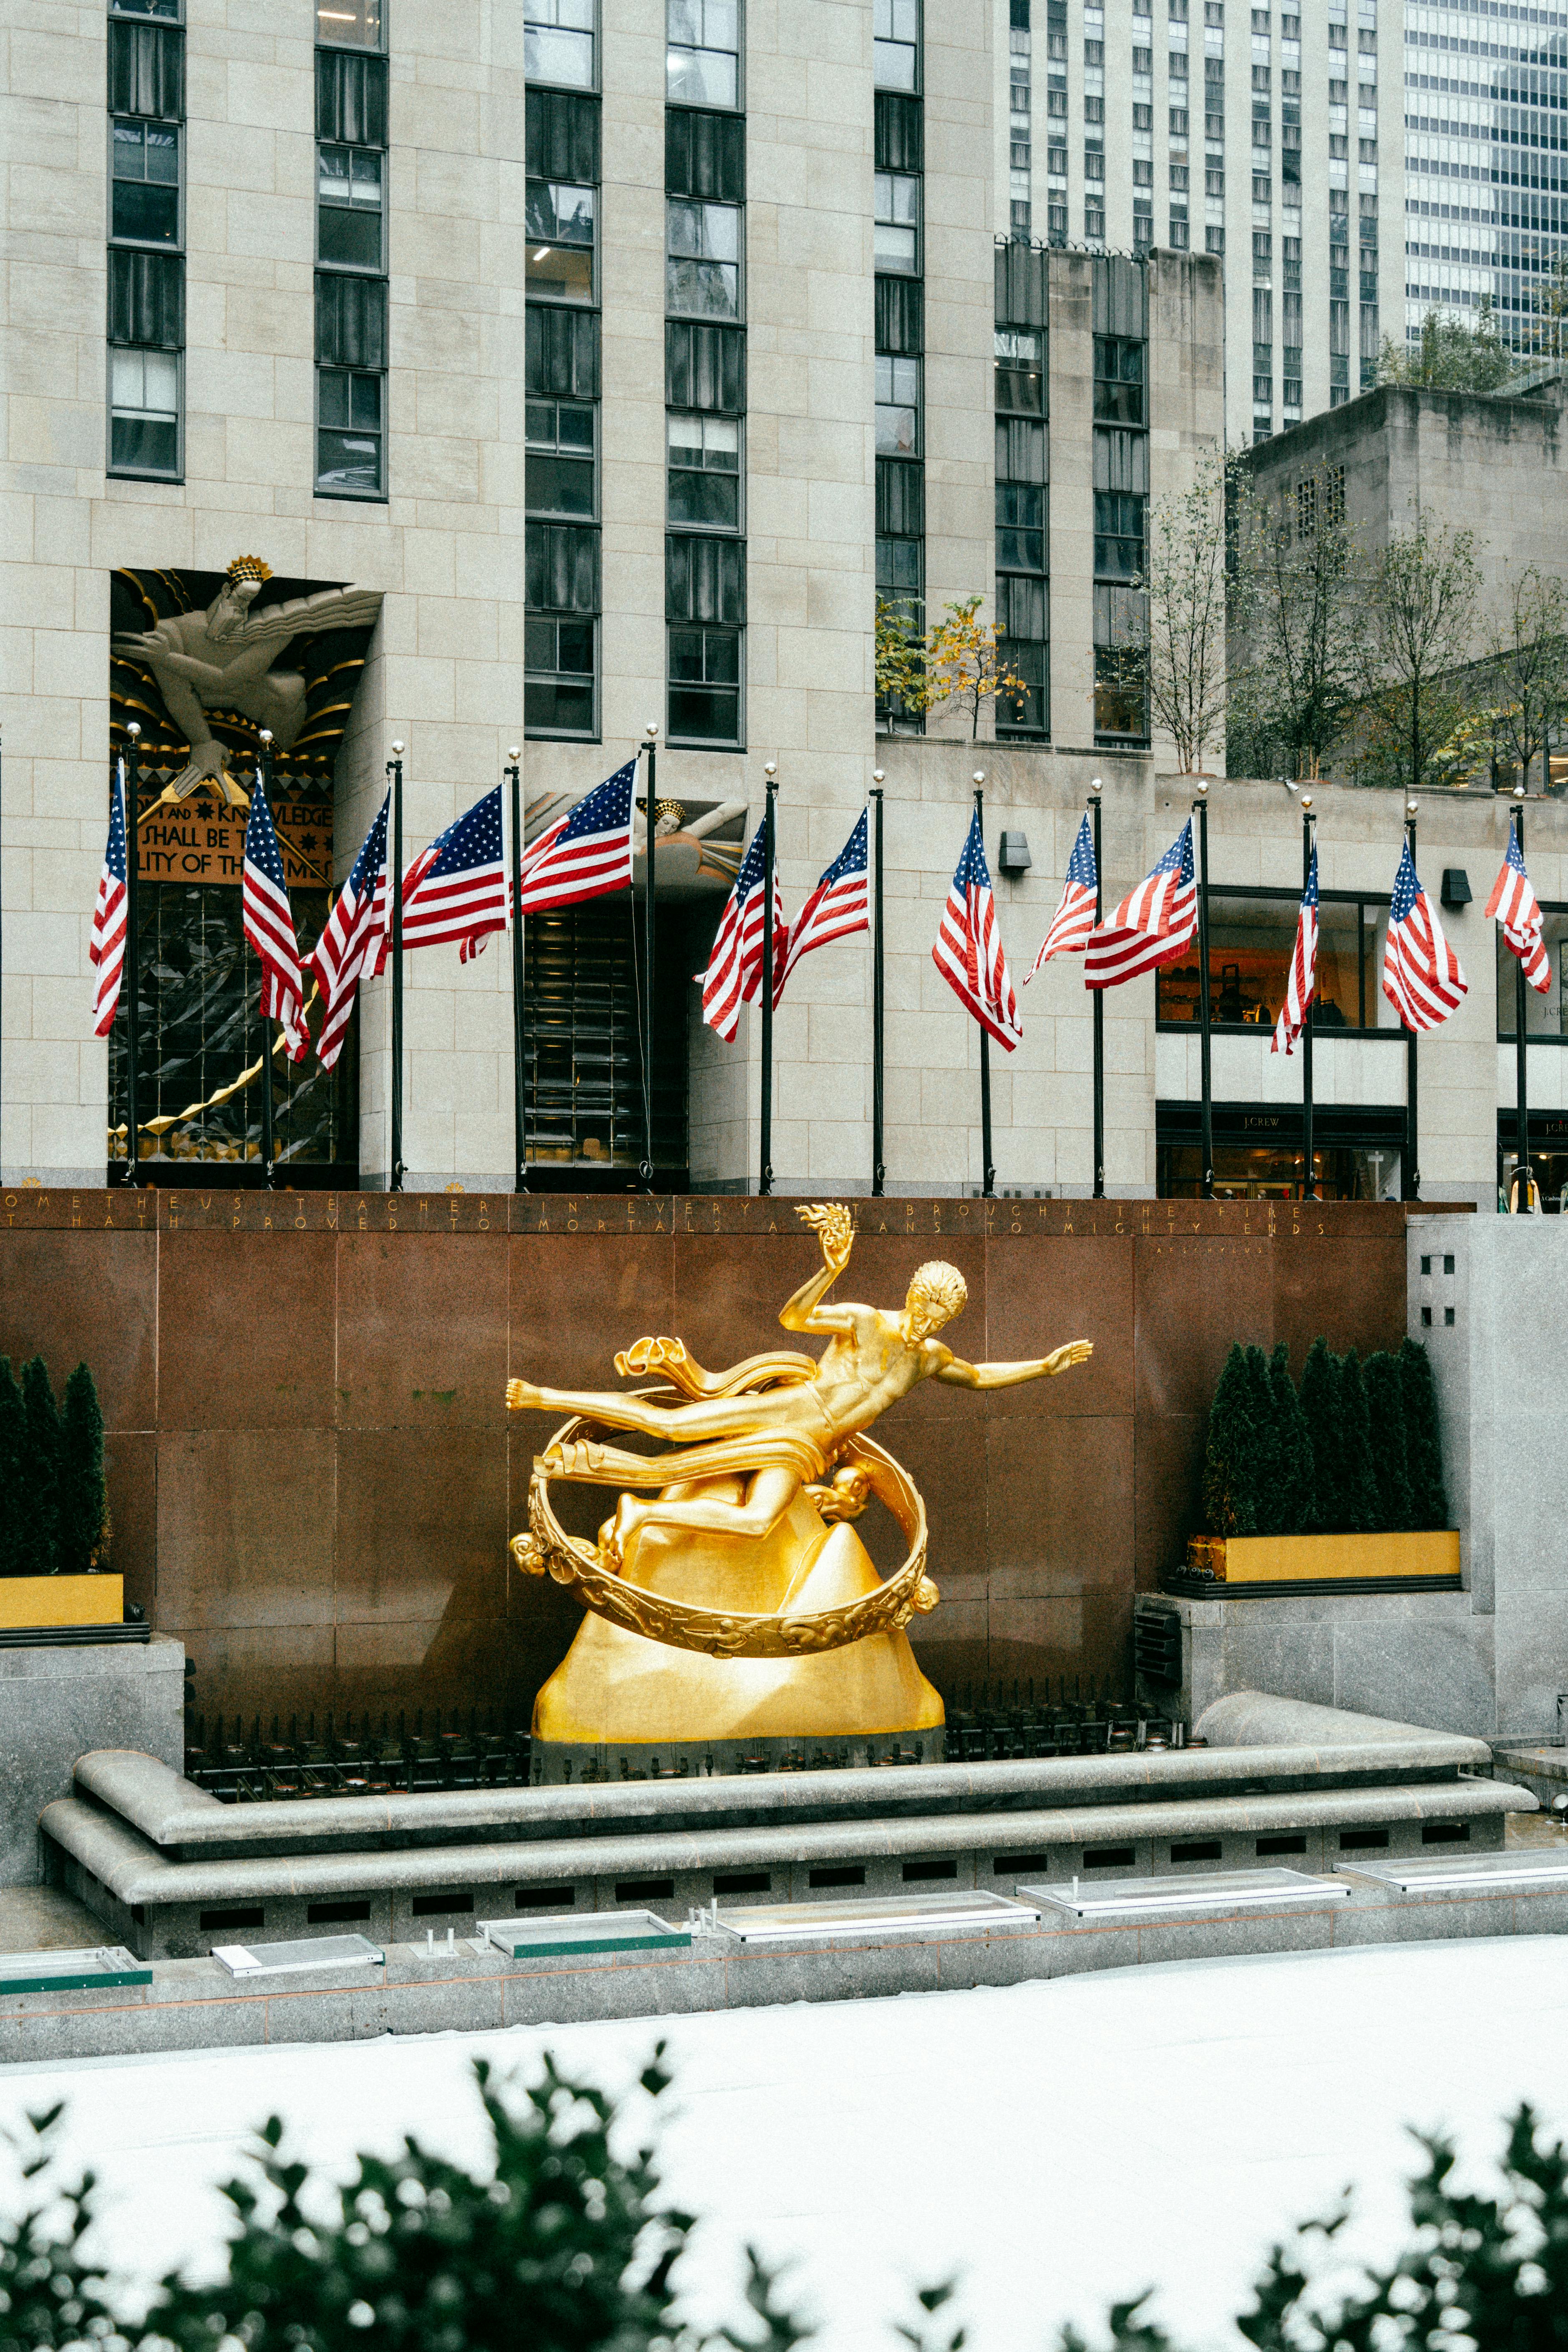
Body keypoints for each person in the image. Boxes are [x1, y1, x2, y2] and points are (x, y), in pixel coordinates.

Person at [506, 1202, 1092, 1560]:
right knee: (672, 1425)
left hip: (810, 1450)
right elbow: (795, 1319)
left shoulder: (929, 1359)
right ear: (912, 1294)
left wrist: (1043, 1366)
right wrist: (830, 1270)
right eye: (925, 1308)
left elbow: (979, 1375)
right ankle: (543, 1396)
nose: (928, 1323)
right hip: (790, 1410)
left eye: (940, 1319)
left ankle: (640, 1512)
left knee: (758, 1522)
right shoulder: (864, 1320)